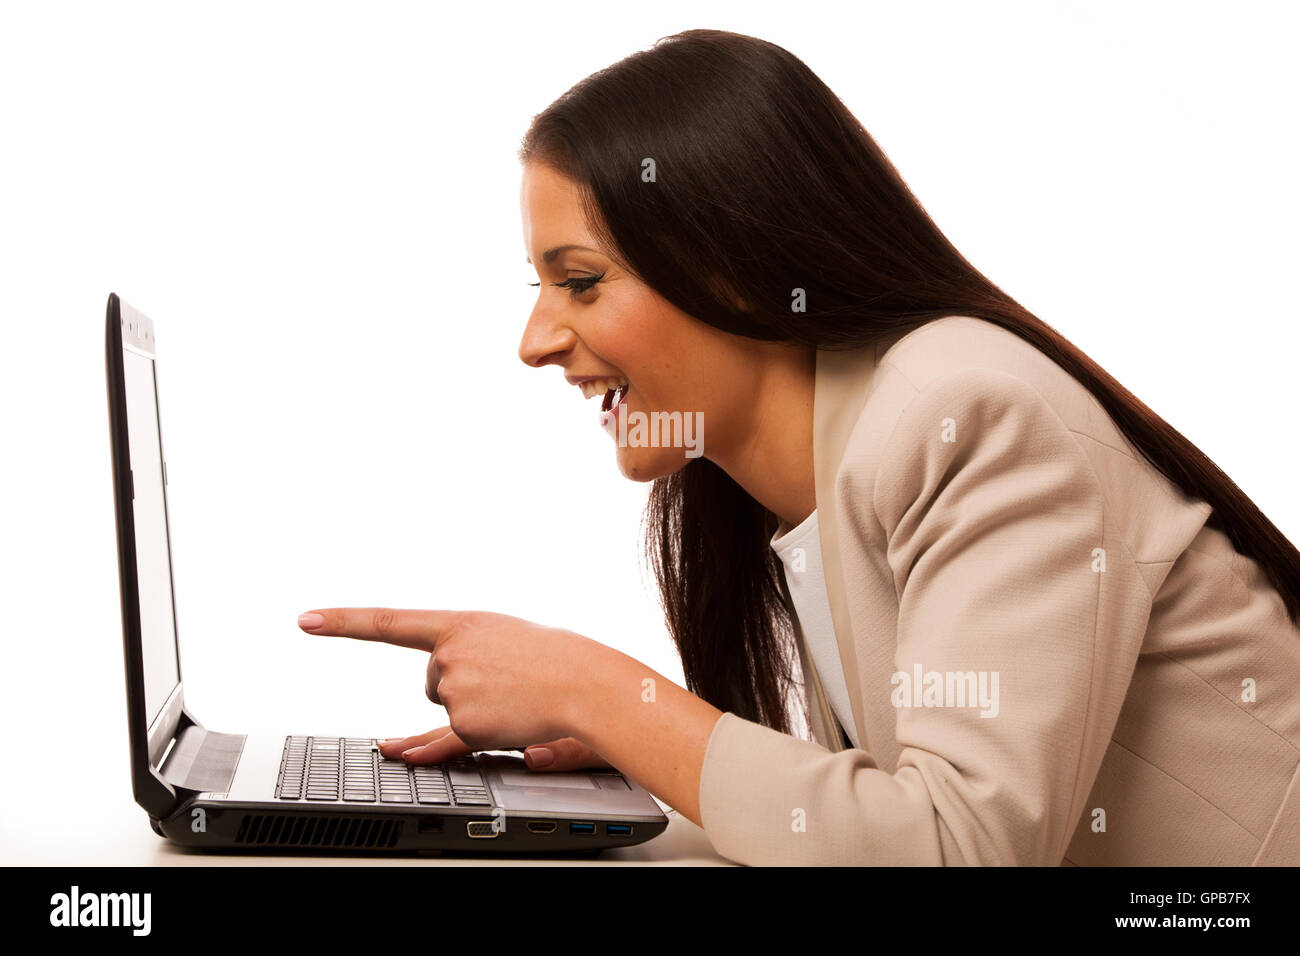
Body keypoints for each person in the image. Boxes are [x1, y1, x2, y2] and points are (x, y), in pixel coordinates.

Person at [294, 29, 1300, 866]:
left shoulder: (963, 410)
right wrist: (628, 738)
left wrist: (605, 692)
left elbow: (961, 846)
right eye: (539, 287)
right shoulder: (803, 473)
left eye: (582, 281)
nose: (536, 341)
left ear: (729, 268)